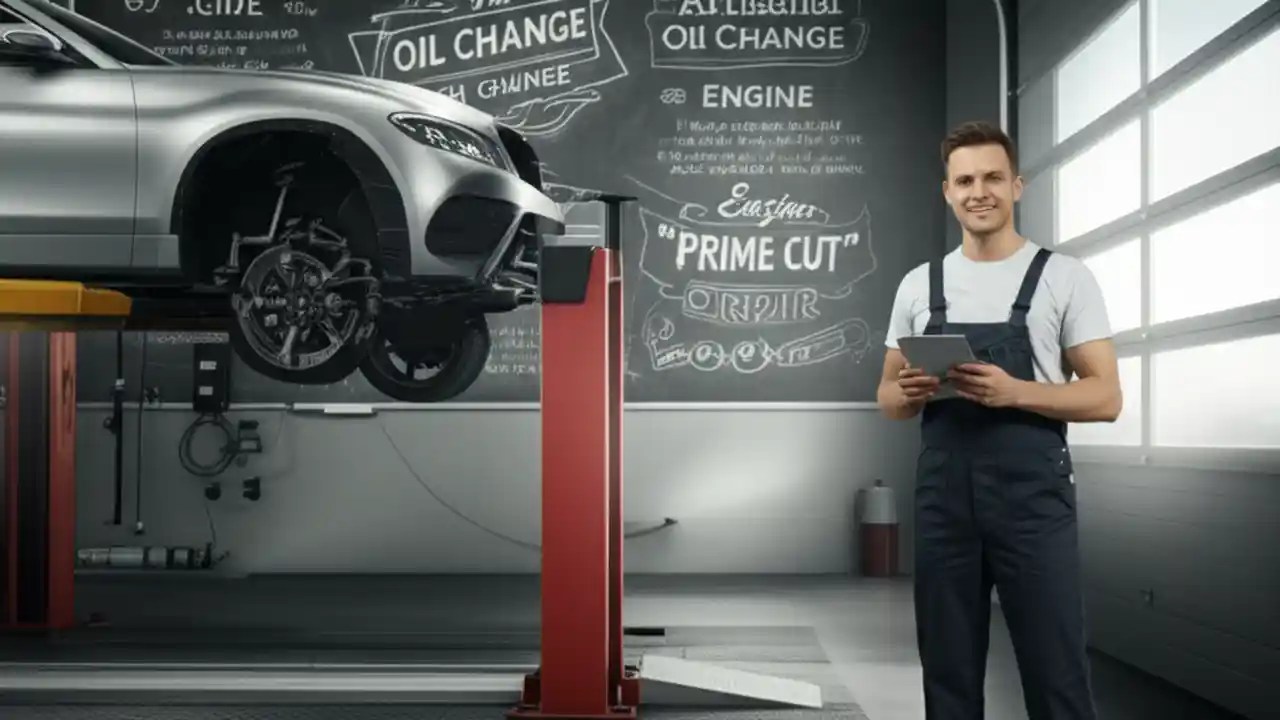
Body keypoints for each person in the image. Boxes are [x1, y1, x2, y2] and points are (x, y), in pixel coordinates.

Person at [878, 120, 1122, 720]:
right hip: (944, 497)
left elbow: (1106, 397)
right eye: (965, 180)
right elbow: (887, 396)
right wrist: (909, 392)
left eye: (992, 177)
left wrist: (1015, 392)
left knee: (1055, 669)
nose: (978, 191)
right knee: (948, 670)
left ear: (1017, 186)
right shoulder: (920, 284)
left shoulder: (1064, 276)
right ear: (947, 191)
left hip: (1032, 497)